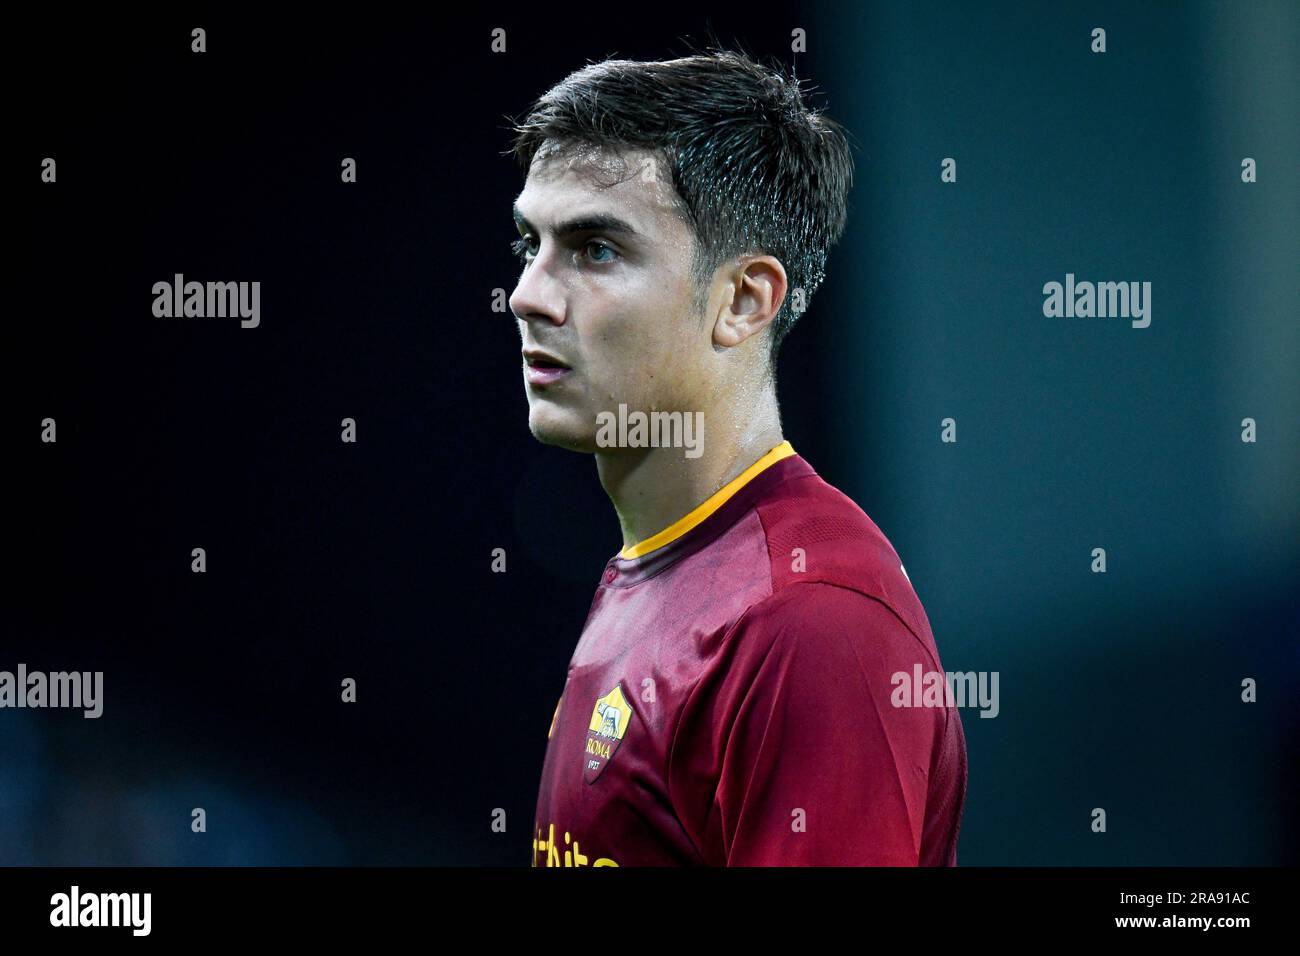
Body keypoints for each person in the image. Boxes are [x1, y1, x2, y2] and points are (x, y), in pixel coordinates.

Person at [507, 48, 966, 866]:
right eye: (530, 244)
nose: (529, 295)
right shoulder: (660, 569)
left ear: (743, 301)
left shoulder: (811, 620)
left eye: (596, 249)